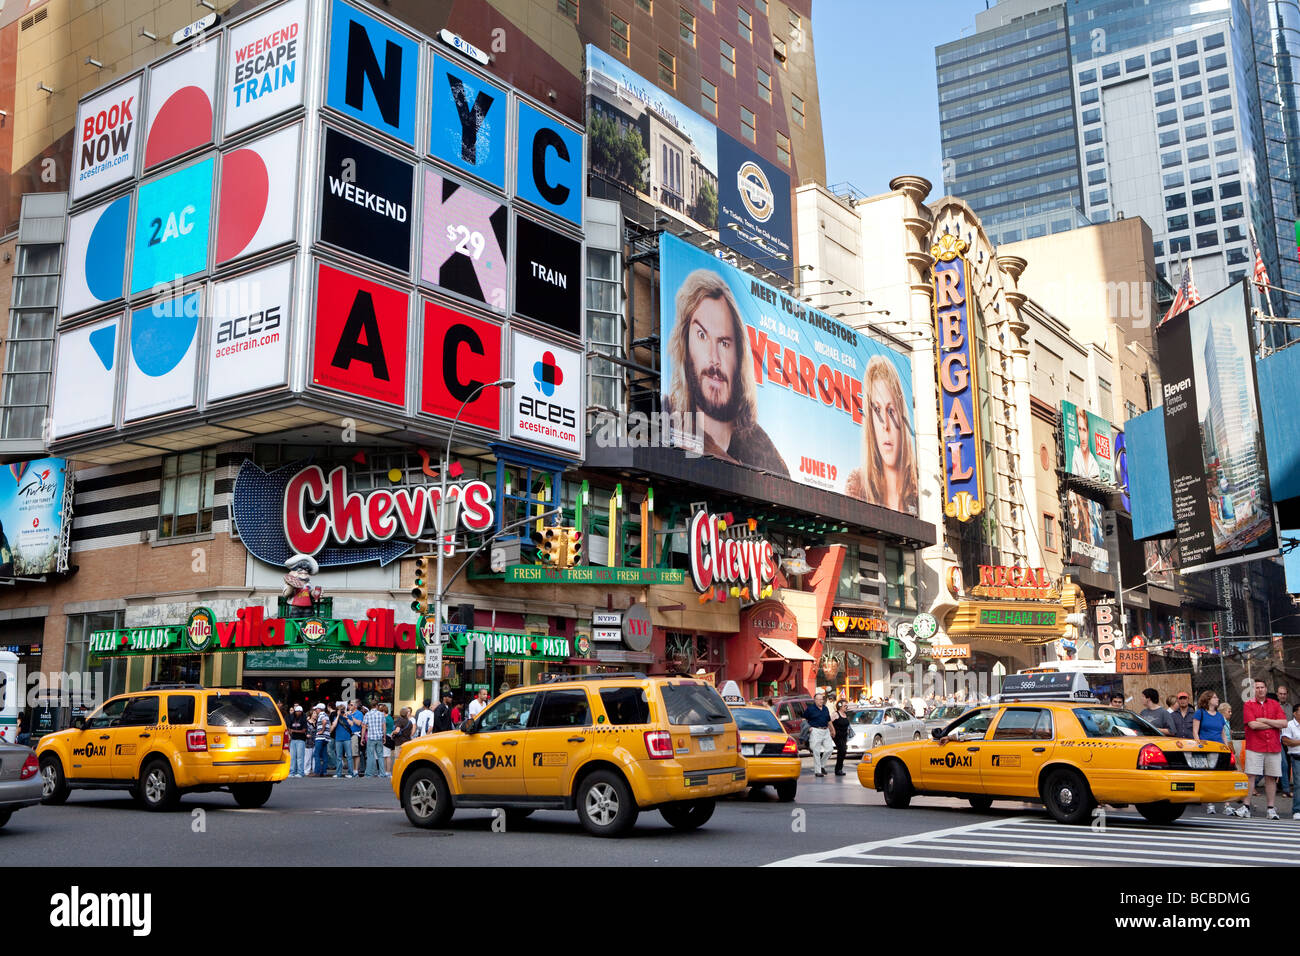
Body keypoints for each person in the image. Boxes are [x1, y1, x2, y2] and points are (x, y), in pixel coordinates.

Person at [662, 268, 789, 475]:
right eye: (702, 335)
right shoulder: (665, 415)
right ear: (684, 343)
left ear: (739, 356)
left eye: (724, 343)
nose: (714, 358)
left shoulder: (766, 454)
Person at [846, 355, 918, 515]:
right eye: (877, 411)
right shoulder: (858, 486)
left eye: (891, 411)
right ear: (870, 422)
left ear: (902, 416)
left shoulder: (920, 489)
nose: (885, 424)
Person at [1231, 679, 1288, 819]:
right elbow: (1253, 725)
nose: (1260, 690)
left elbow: (1284, 723)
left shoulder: (1274, 704)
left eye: (1262, 687)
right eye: (1257, 688)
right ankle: (1246, 806)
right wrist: (1274, 724)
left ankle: (1270, 808)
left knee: (1271, 777)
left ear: (1266, 689)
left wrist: (1265, 720)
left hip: (1273, 746)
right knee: (1251, 776)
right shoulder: (1249, 705)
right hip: (1255, 746)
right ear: (1254, 690)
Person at [1193, 691, 1231, 814]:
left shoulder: (1220, 716)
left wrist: (1226, 747)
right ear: (1208, 700)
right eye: (1214, 697)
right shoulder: (1200, 713)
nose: (1217, 699)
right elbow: (1195, 731)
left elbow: (1223, 733)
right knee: (1210, 777)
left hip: (1219, 748)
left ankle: (1227, 804)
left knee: (1224, 777)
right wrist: (1199, 745)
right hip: (1207, 748)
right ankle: (1211, 803)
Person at [804, 692, 833, 778]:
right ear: (815, 700)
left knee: (829, 750)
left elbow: (829, 720)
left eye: (822, 699)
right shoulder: (810, 709)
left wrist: (832, 729)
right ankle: (818, 771)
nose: (821, 701)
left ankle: (822, 766)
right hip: (815, 730)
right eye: (819, 699)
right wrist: (808, 727)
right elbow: (804, 719)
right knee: (816, 751)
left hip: (826, 730)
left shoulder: (825, 708)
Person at [1070, 406, 1101, 479]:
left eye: (1084, 430)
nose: (1082, 436)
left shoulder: (1094, 463)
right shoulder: (1075, 454)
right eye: (1079, 429)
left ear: (1088, 432)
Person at [1281, 703, 1300, 819]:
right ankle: (1297, 810)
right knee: (1298, 784)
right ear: (1294, 713)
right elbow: (1286, 741)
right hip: (1297, 757)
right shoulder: (1290, 725)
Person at [363, 699, 387, 778]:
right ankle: (382, 773)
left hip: (371, 737)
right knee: (380, 756)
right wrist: (384, 736)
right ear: (377, 706)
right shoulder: (381, 714)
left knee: (370, 756)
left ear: (371, 706)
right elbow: (384, 726)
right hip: (379, 737)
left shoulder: (367, 714)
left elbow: (364, 727)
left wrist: (362, 738)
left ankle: (369, 774)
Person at [330, 703, 354, 779]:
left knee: (349, 756)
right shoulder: (336, 717)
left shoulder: (347, 716)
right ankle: (338, 773)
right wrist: (337, 715)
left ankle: (351, 773)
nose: (342, 711)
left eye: (343, 710)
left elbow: (352, 724)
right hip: (338, 739)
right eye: (340, 710)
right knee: (339, 757)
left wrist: (346, 718)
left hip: (347, 738)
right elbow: (333, 726)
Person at [1278, 686, 1293, 798]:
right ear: (1277, 695)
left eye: (1284, 694)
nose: (1283, 696)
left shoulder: (1290, 707)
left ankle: (1282, 786)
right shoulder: (1274, 706)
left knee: (1287, 763)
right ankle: (1285, 789)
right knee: (1283, 763)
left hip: (1288, 738)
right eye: (1281, 694)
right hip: (1277, 738)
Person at [287, 704, 309, 778]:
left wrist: (293, 731)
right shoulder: (292, 718)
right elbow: (289, 728)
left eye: (299, 711)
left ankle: (300, 772)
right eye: (297, 711)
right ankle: (292, 772)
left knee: (300, 757)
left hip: (301, 740)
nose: (298, 713)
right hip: (293, 740)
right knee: (292, 757)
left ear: (302, 712)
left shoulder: (303, 719)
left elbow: (304, 730)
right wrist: (290, 731)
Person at [830, 699, 851, 777]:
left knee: (843, 751)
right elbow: (828, 722)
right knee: (841, 750)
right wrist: (832, 730)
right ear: (840, 706)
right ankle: (838, 769)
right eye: (845, 706)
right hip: (837, 736)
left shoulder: (845, 714)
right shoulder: (835, 714)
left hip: (844, 735)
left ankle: (839, 768)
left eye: (847, 705)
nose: (846, 707)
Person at [312, 703, 331, 777]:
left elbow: (324, 722)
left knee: (316, 754)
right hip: (326, 738)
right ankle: (324, 771)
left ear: (319, 709)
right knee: (324, 755)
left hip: (320, 737)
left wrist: (322, 731)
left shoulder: (321, 715)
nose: (315, 710)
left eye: (316, 709)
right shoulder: (326, 715)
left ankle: (317, 771)